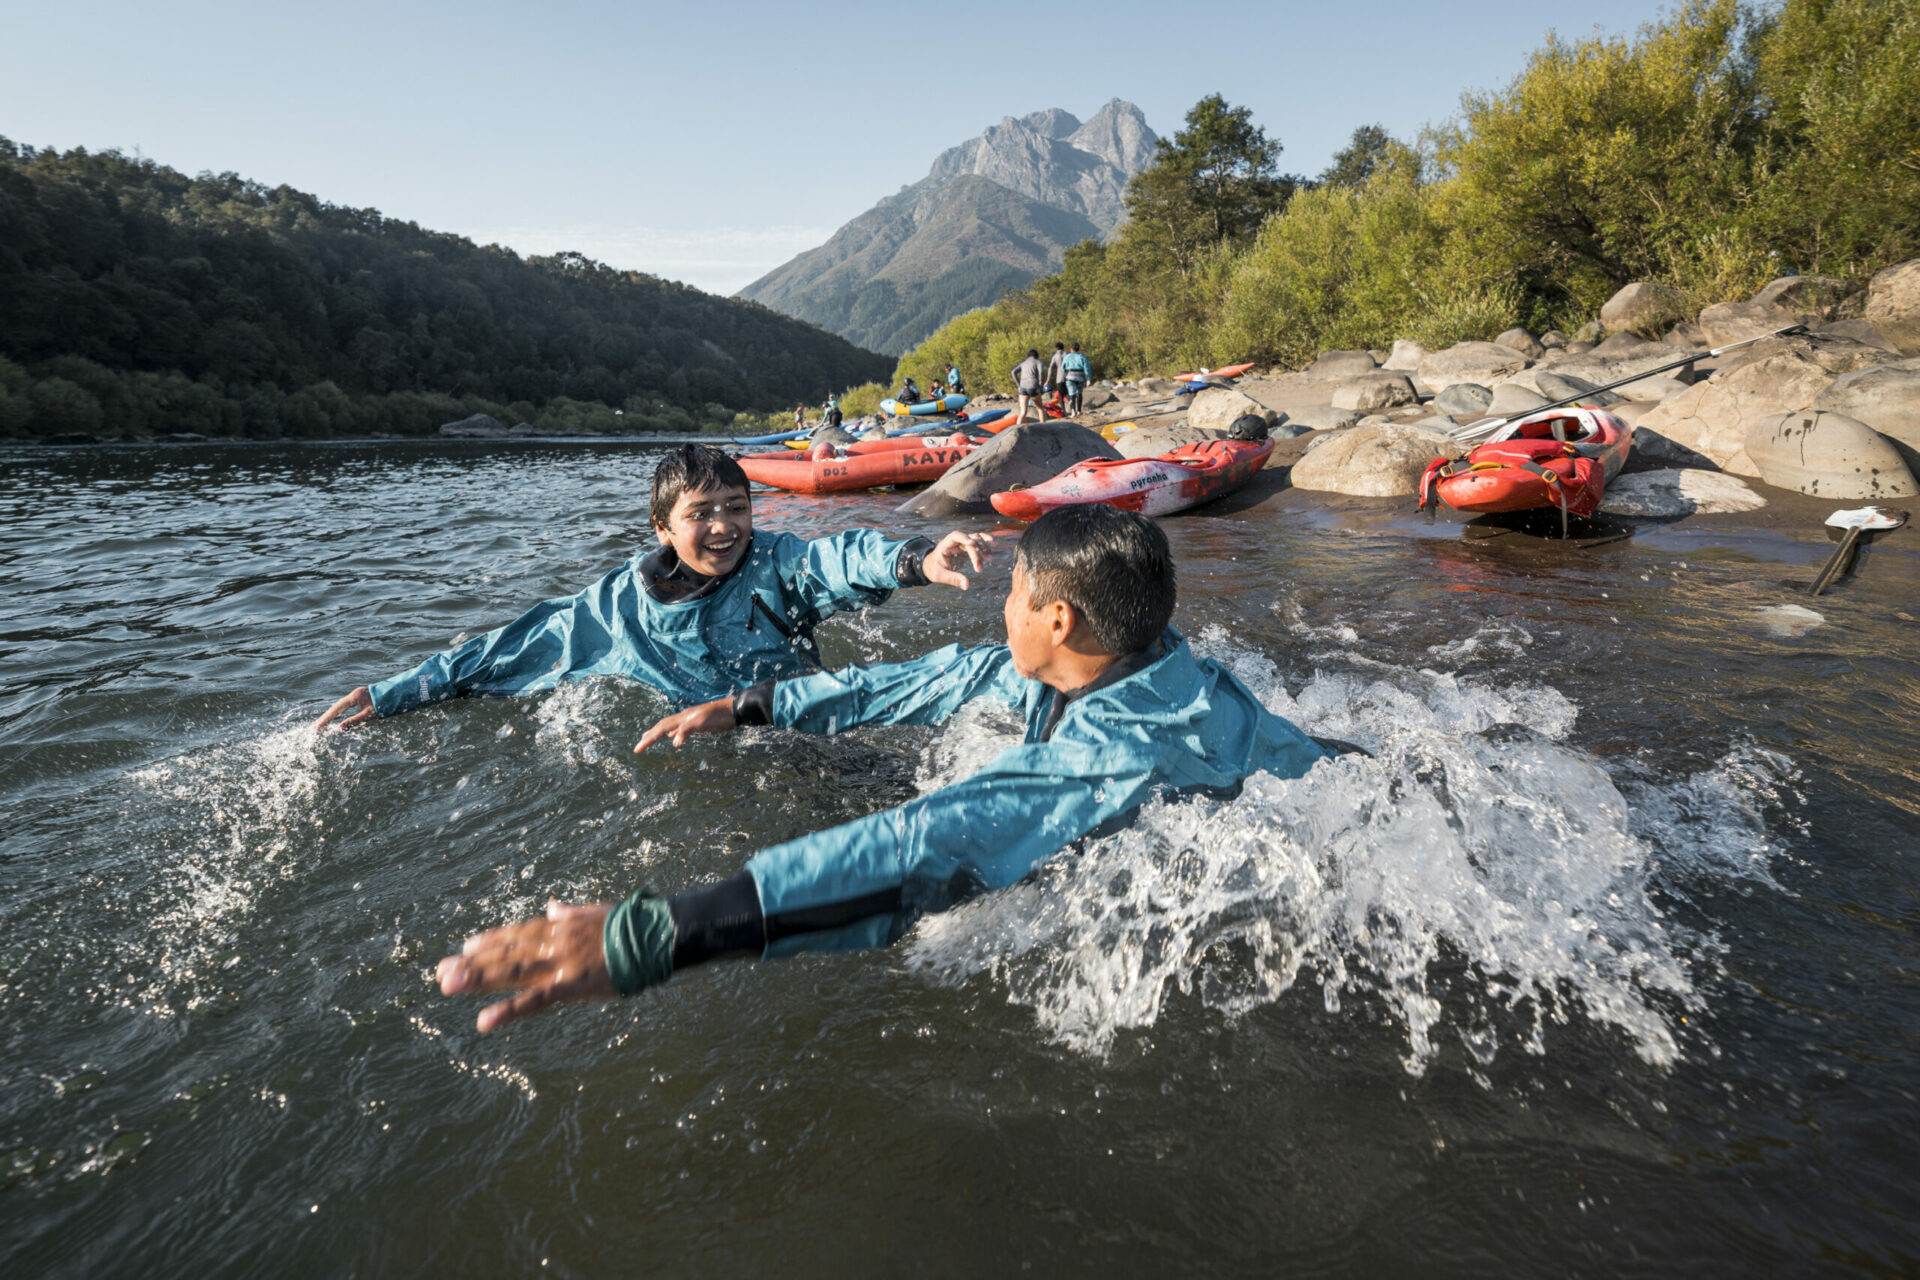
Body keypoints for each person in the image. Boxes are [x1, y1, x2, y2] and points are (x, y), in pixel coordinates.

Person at [434, 505, 1335, 1032]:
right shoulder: (1124, 649)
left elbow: (928, 846)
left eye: (1017, 592)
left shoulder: (1118, 749)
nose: (1004, 609)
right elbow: (925, 679)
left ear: (1059, 620)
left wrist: (664, 934)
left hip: (1332, 831)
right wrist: (751, 706)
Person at [313, 445, 992, 729]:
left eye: (738, 508)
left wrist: (915, 561)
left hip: (799, 718)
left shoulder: (775, 564)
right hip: (711, 742)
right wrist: (395, 692)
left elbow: (838, 561)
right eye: (701, 515)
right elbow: (511, 645)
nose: (725, 528)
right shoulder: (615, 608)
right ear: (664, 527)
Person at [1011, 348, 1046, 424]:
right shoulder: (1038, 362)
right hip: (1034, 387)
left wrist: (1018, 385)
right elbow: (1041, 373)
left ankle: (1017, 429)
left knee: (1023, 412)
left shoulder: (1023, 363)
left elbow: (1013, 372)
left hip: (1023, 387)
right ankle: (1044, 427)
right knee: (1040, 408)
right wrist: (1040, 386)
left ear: (1028, 355)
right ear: (1036, 355)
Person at [1061, 342, 1091, 416]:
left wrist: (1065, 375)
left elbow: (1062, 368)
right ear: (1078, 349)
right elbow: (1087, 369)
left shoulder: (1067, 357)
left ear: (1071, 349)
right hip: (1080, 377)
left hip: (1070, 377)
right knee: (1079, 393)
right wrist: (1088, 379)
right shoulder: (1082, 357)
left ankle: (1073, 411)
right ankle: (1079, 411)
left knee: (1072, 394)